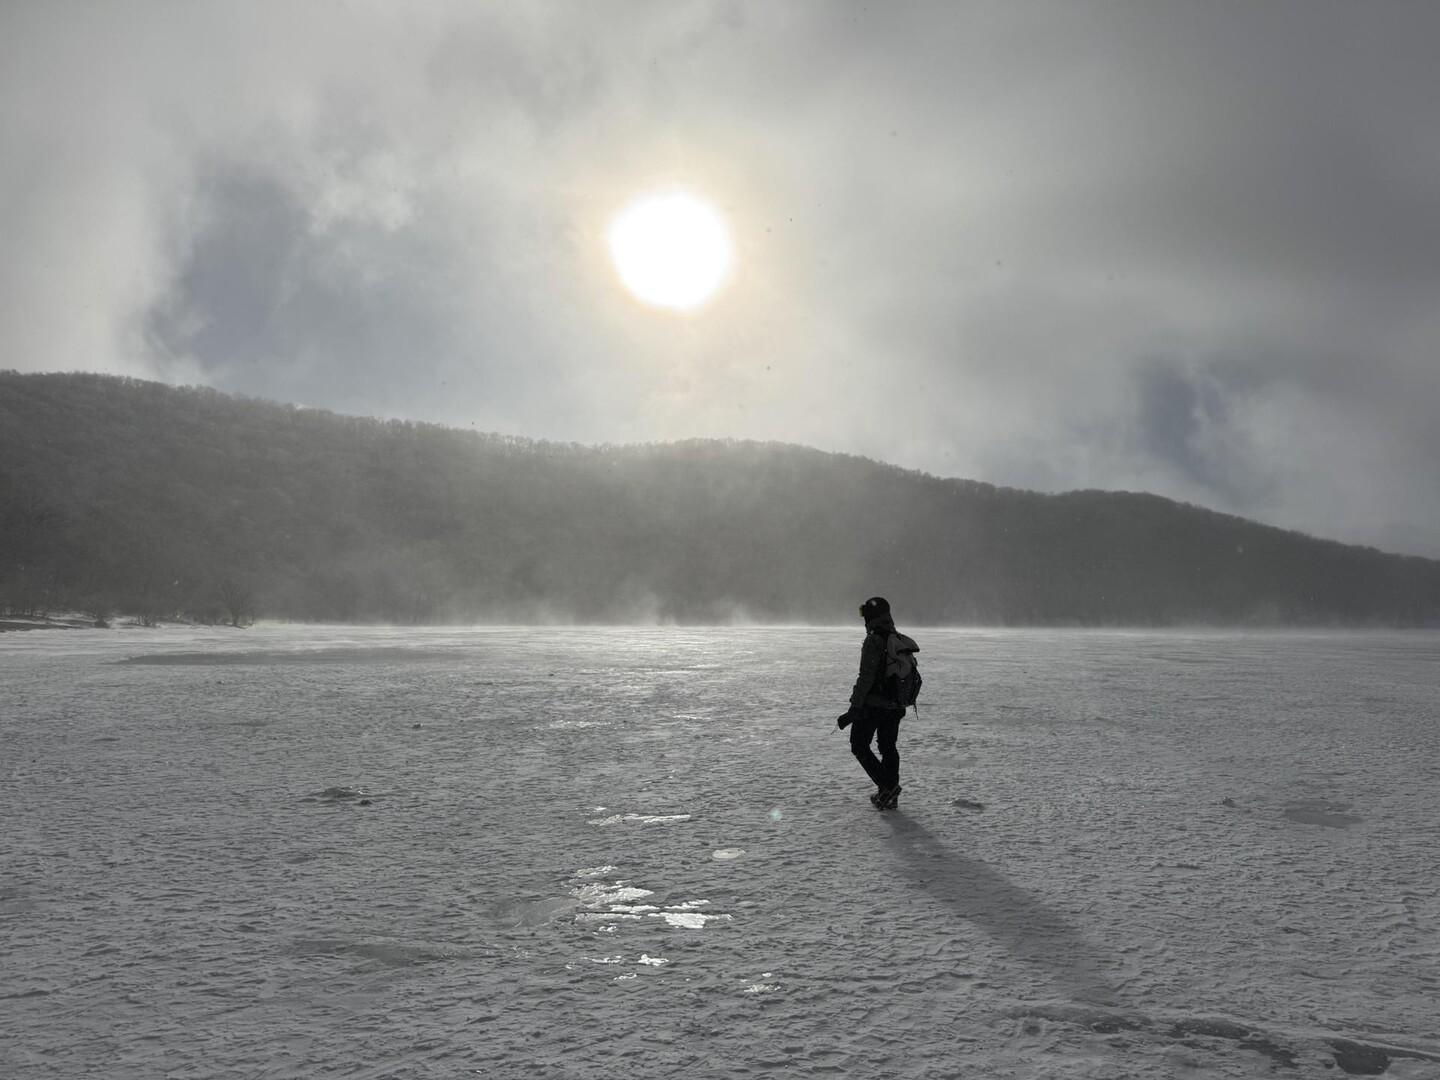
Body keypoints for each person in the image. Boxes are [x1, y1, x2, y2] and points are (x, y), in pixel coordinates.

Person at [837, 596, 910, 809]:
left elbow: (865, 677)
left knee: (859, 745)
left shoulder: (874, 641)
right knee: (888, 747)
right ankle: (889, 795)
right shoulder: (896, 637)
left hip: (874, 705)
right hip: (896, 705)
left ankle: (887, 787)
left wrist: (853, 709)